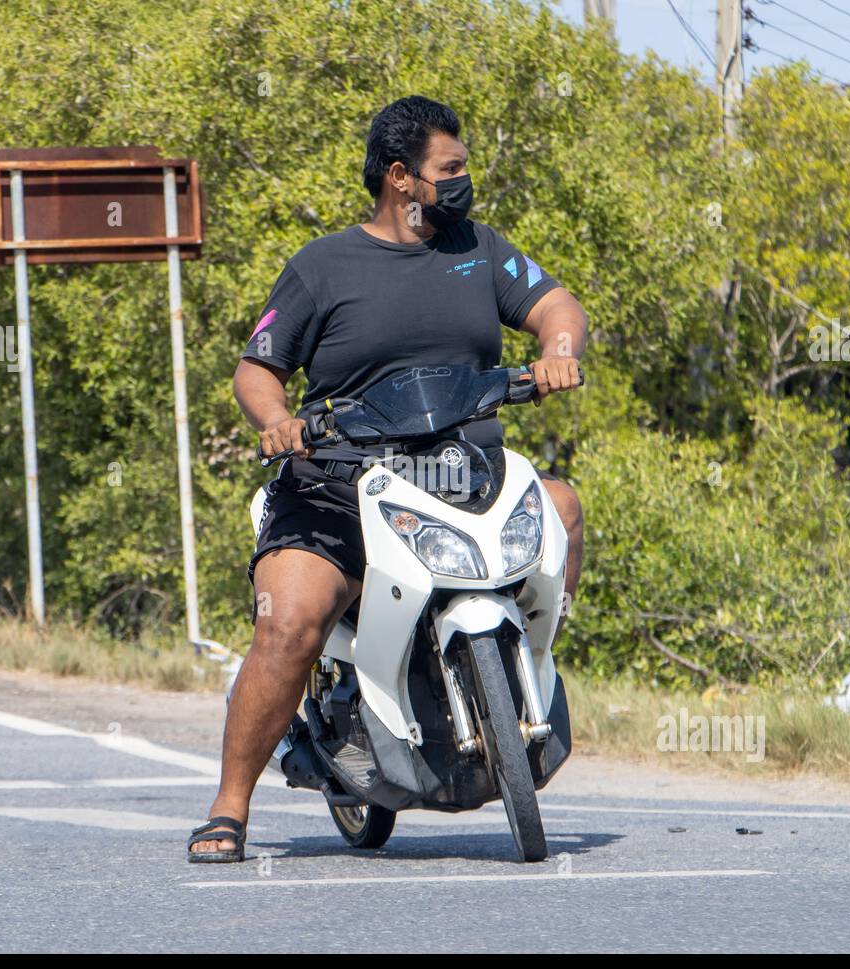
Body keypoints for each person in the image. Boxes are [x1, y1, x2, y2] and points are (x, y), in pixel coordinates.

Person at [188, 95, 587, 862]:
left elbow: (554, 303)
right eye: (453, 168)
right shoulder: (321, 267)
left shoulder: (479, 249)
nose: (465, 181)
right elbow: (255, 370)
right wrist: (276, 418)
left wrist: (558, 347)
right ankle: (229, 804)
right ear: (402, 178)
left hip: (462, 475)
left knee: (563, 506)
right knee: (291, 619)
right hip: (337, 483)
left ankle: (529, 662)